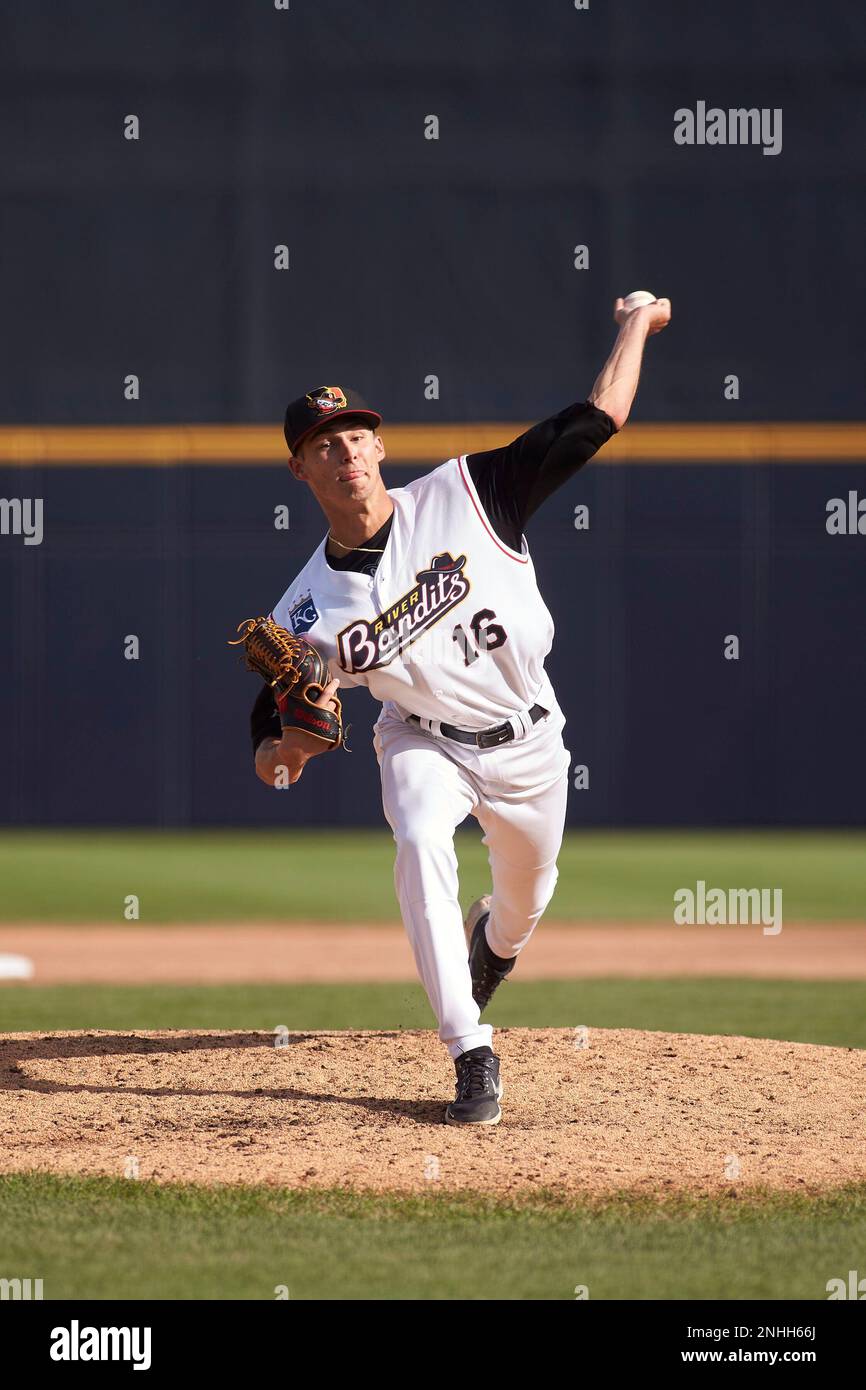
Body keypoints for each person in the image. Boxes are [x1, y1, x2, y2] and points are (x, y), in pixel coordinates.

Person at [251, 295, 671, 1125]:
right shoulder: (301, 612)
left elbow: (599, 418)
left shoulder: (472, 492)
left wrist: (635, 324)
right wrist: (287, 754)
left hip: (530, 743)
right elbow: (269, 734)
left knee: (523, 906)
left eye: (357, 436)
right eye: (323, 445)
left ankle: (494, 946)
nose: (347, 454)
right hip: (420, 740)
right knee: (415, 835)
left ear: (379, 446)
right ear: (301, 470)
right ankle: (468, 1049)